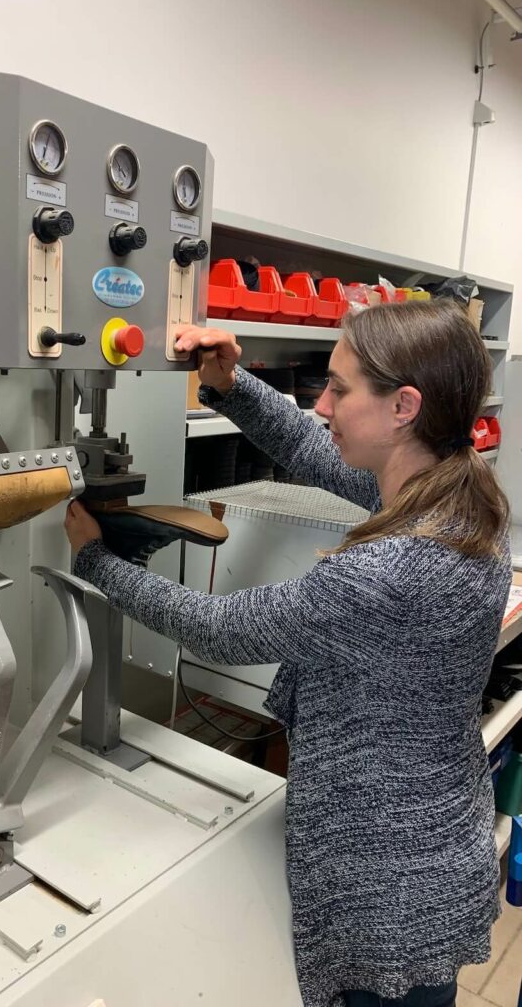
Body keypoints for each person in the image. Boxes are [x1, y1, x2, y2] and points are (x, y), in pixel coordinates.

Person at [65, 299, 511, 1007]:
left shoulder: (386, 572)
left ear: (404, 407)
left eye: (337, 389)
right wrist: (229, 383)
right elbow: (313, 451)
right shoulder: (460, 492)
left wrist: (95, 559)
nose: (322, 404)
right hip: (434, 850)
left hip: (384, 894)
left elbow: (218, 628)